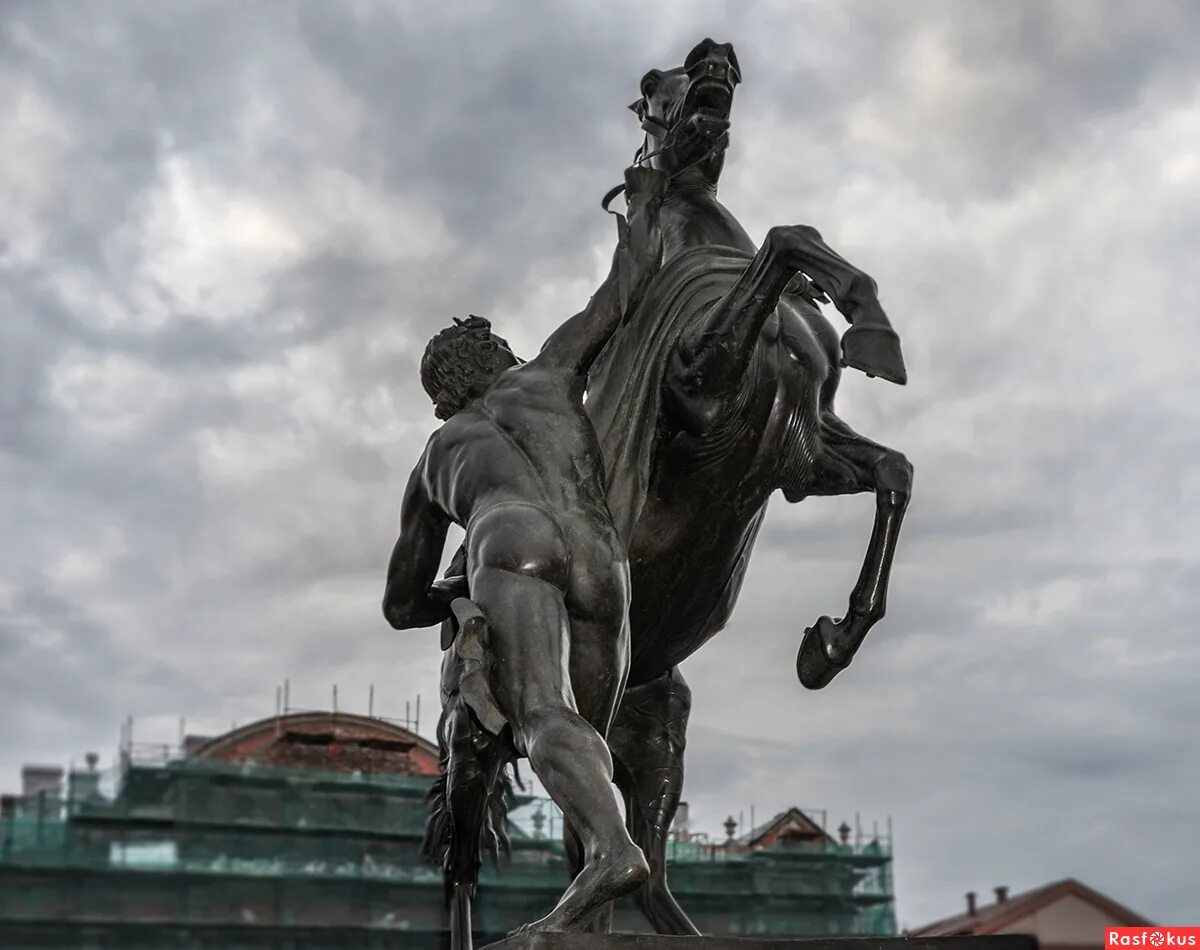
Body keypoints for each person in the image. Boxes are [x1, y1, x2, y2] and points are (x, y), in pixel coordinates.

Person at [382, 165, 667, 936]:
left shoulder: (437, 456)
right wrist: (644, 201)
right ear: (493, 358)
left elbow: (400, 604)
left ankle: (614, 852)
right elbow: (625, 288)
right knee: (588, 734)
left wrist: (456, 593)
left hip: (510, 540)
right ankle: (601, 871)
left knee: (543, 713)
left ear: (441, 396)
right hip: (600, 551)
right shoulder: (548, 373)